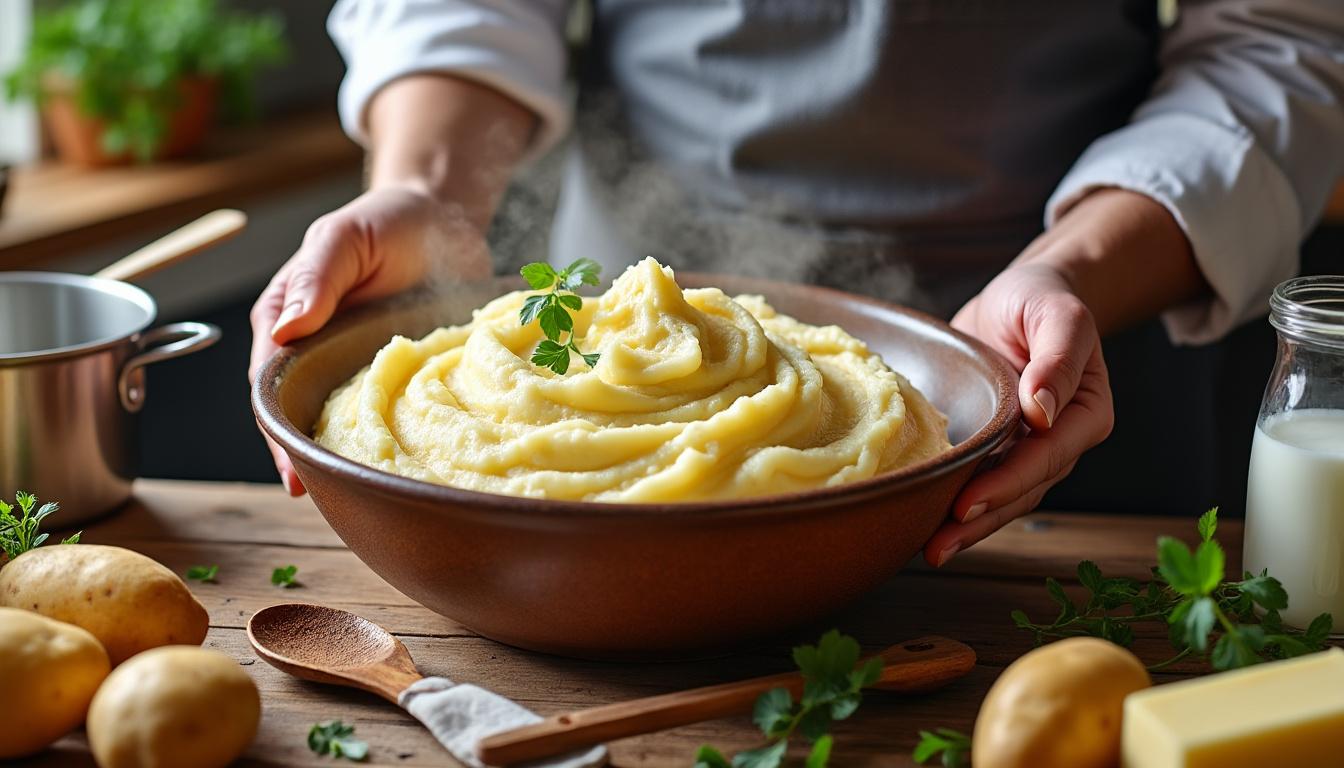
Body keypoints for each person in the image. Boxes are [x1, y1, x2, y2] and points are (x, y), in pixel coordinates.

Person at [250, 0, 1344, 566]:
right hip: (605, 316)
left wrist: (1068, 271)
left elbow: (1281, 40)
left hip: (1066, 342)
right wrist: (430, 197)